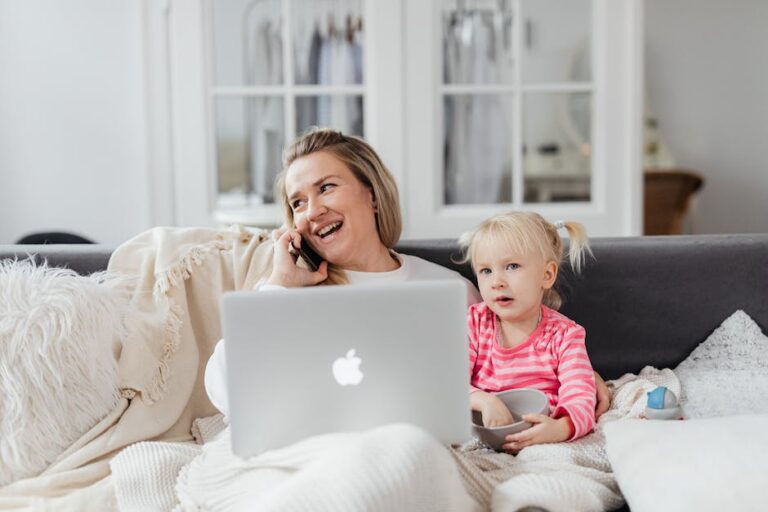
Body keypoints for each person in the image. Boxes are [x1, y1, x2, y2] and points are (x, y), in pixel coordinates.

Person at [204, 128, 612, 419]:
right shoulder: (285, 293)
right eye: (297, 203)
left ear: (372, 194)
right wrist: (280, 287)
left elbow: (509, 361)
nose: (311, 211)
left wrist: (575, 375)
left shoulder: (451, 290)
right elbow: (226, 392)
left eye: (326, 187)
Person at [460, 211, 597, 451]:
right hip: (482, 440)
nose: (496, 282)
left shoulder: (566, 335)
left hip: (542, 442)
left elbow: (582, 397)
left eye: (512, 266)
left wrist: (559, 429)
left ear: (547, 275)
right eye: (486, 271)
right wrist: (484, 400)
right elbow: (448, 382)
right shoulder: (473, 323)